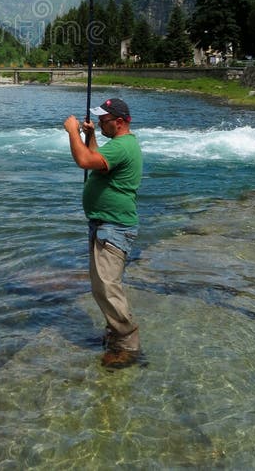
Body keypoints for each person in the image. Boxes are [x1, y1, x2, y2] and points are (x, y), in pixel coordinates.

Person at [64, 97, 143, 369]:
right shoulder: (120, 145)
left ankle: (126, 344)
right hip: (106, 226)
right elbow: (97, 160)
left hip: (113, 228)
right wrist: (91, 136)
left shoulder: (123, 146)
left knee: (107, 288)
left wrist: (73, 131)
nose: (99, 123)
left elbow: (85, 161)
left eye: (103, 120)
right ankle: (116, 332)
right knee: (102, 286)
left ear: (119, 122)